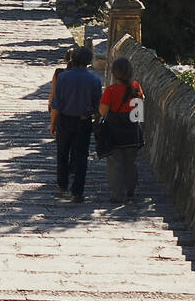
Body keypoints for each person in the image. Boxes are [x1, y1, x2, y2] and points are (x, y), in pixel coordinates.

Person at [51, 43, 102, 203]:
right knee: (81, 156)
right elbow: (97, 106)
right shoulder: (94, 80)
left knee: (62, 153)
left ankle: (62, 185)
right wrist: (96, 121)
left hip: (65, 119)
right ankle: (78, 191)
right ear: (88, 61)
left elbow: (56, 104)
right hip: (84, 121)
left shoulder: (63, 77)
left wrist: (53, 124)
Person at [98, 57, 145, 204]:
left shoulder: (110, 91)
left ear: (113, 73)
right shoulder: (136, 87)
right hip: (132, 131)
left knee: (115, 163)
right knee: (130, 162)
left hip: (114, 132)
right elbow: (140, 111)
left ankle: (118, 195)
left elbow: (103, 112)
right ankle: (131, 189)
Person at [48, 47, 73, 137]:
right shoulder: (86, 76)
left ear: (65, 59)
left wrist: (52, 123)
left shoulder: (59, 73)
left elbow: (53, 95)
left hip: (62, 115)